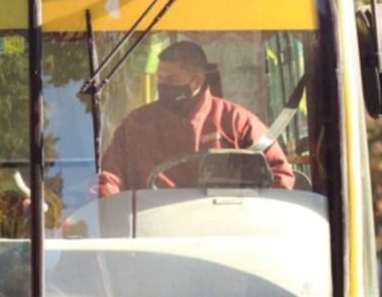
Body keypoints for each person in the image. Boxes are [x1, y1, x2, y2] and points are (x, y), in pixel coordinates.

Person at [95, 41, 295, 196]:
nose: (162, 85)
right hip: (153, 227)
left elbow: (280, 175)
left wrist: (252, 219)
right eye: (160, 79)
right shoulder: (138, 124)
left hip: (224, 229)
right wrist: (106, 205)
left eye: (171, 79)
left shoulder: (236, 122)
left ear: (197, 81)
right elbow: (110, 176)